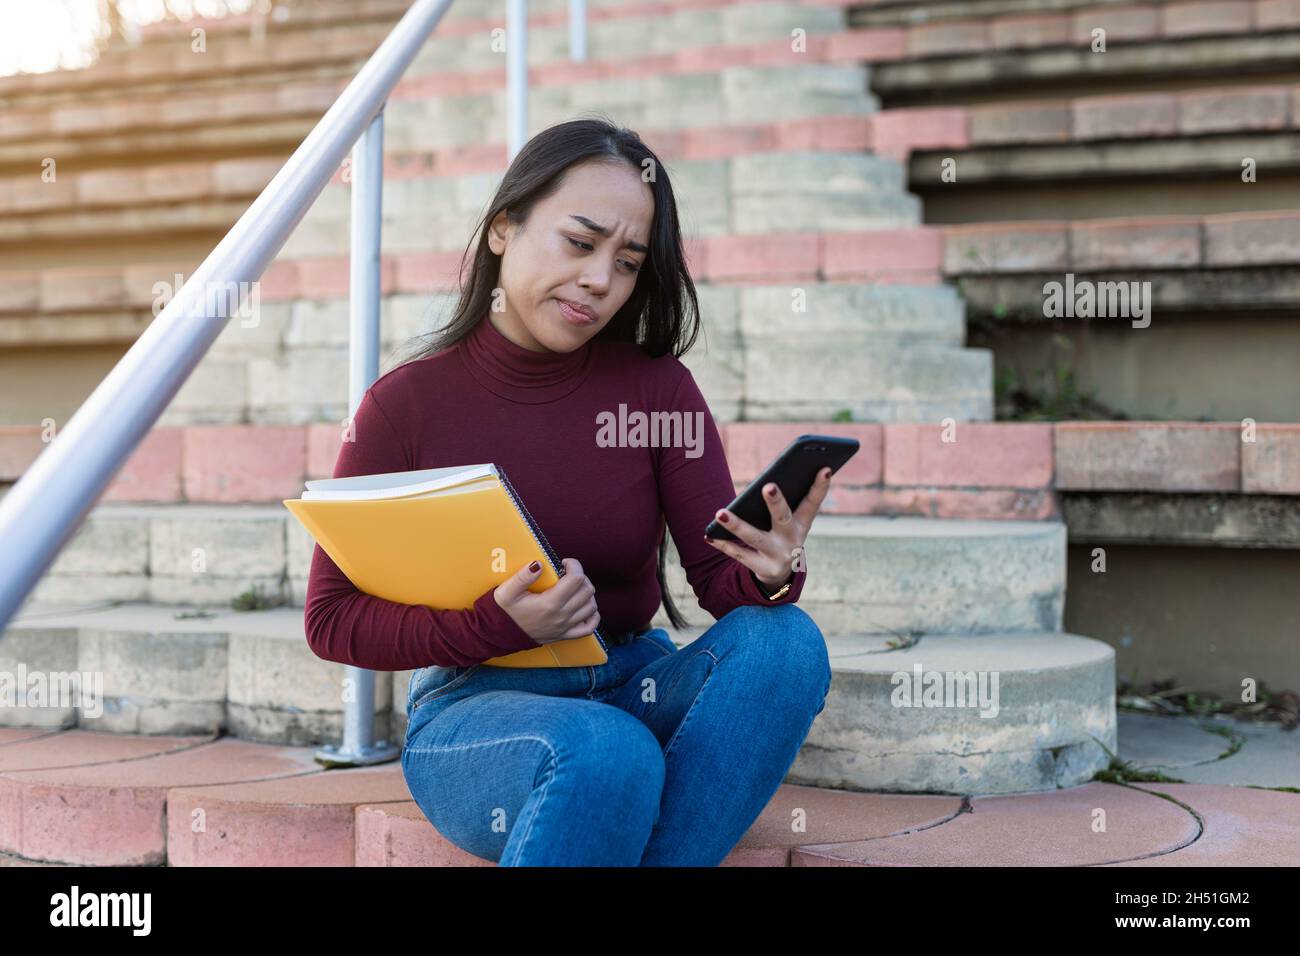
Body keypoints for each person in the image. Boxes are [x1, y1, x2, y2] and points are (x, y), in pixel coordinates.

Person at [303, 116, 833, 866]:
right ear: (503, 229)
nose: (599, 279)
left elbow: (719, 581)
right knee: (606, 751)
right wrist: (497, 624)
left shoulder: (658, 392)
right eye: (580, 243)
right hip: (477, 712)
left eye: (626, 263)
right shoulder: (406, 405)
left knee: (785, 644)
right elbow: (332, 620)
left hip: (635, 682)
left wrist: (773, 574)